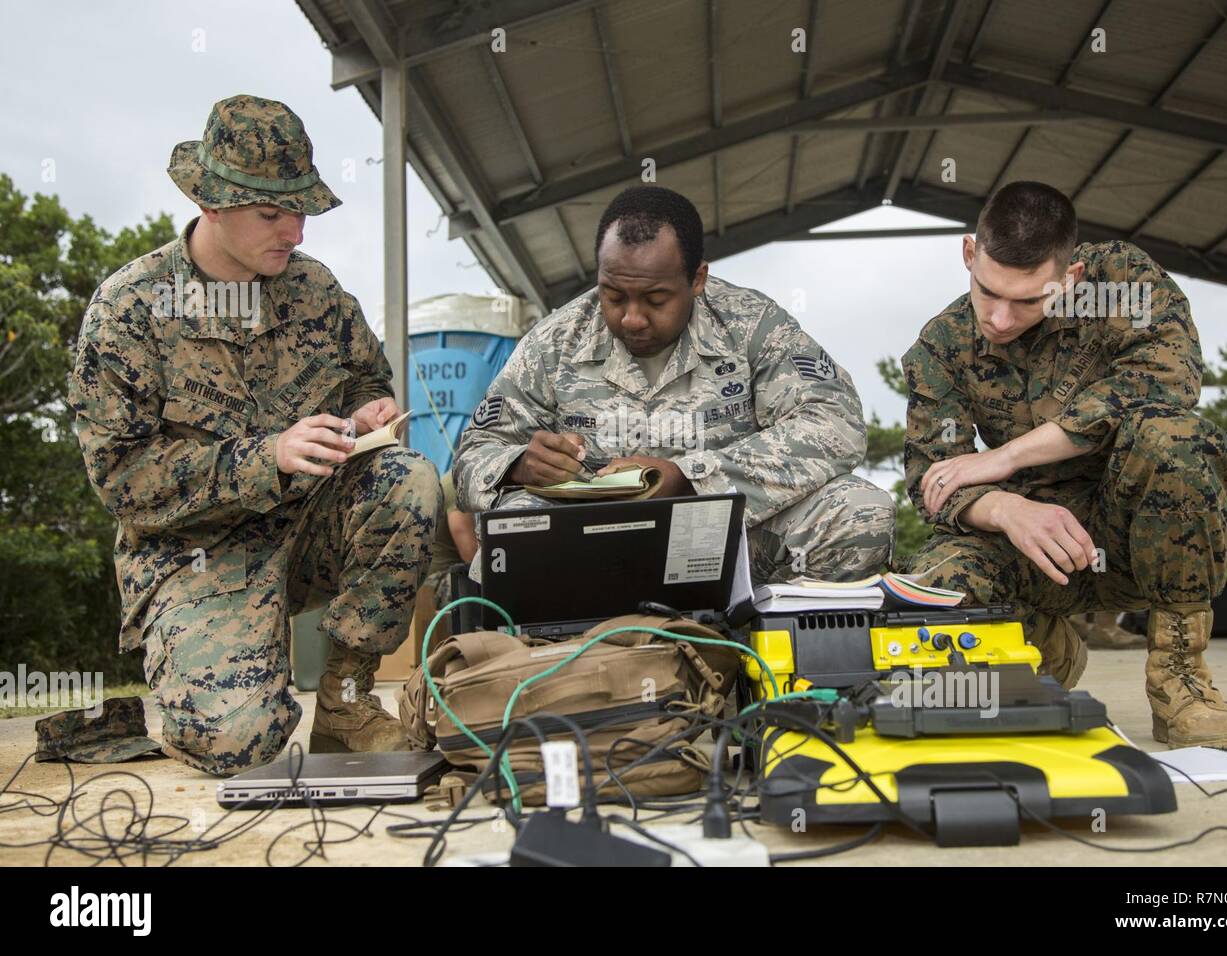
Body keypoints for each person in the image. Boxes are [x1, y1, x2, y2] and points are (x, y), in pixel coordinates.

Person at [68, 95, 441, 775]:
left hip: (303, 528)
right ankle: (200, 688)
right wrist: (265, 456)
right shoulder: (129, 310)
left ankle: (346, 704)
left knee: (409, 478)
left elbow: (365, 379)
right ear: (210, 203)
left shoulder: (315, 293)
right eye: (272, 213)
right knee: (241, 745)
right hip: (195, 556)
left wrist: (369, 412)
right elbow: (121, 478)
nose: (294, 231)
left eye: (301, 210)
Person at [901, 180, 1227, 751]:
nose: (1002, 318)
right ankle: (1047, 656)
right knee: (933, 583)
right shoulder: (942, 347)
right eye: (988, 292)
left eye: (1029, 300)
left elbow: (1165, 383)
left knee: (1177, 439)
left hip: (1140, 533)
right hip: (1035, 548)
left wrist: (1007, 455)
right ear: (969, 254)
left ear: (1072, 279)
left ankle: (1182, 684)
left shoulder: (1120, 283)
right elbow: (933, 478)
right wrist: (1008, 507)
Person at [455, 185, 894, 585]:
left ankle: (762, 643)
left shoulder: (752, 324)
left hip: (727, 541)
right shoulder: (554, 341)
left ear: (697, 279)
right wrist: (519, 465)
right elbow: (473, 454)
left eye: (655, 299)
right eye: (613, 295)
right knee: (517, 526)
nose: (631, 317)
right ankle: (573, 653)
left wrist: (691, 478)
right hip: (591, 546)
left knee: (860, 511)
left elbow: (836, 423)